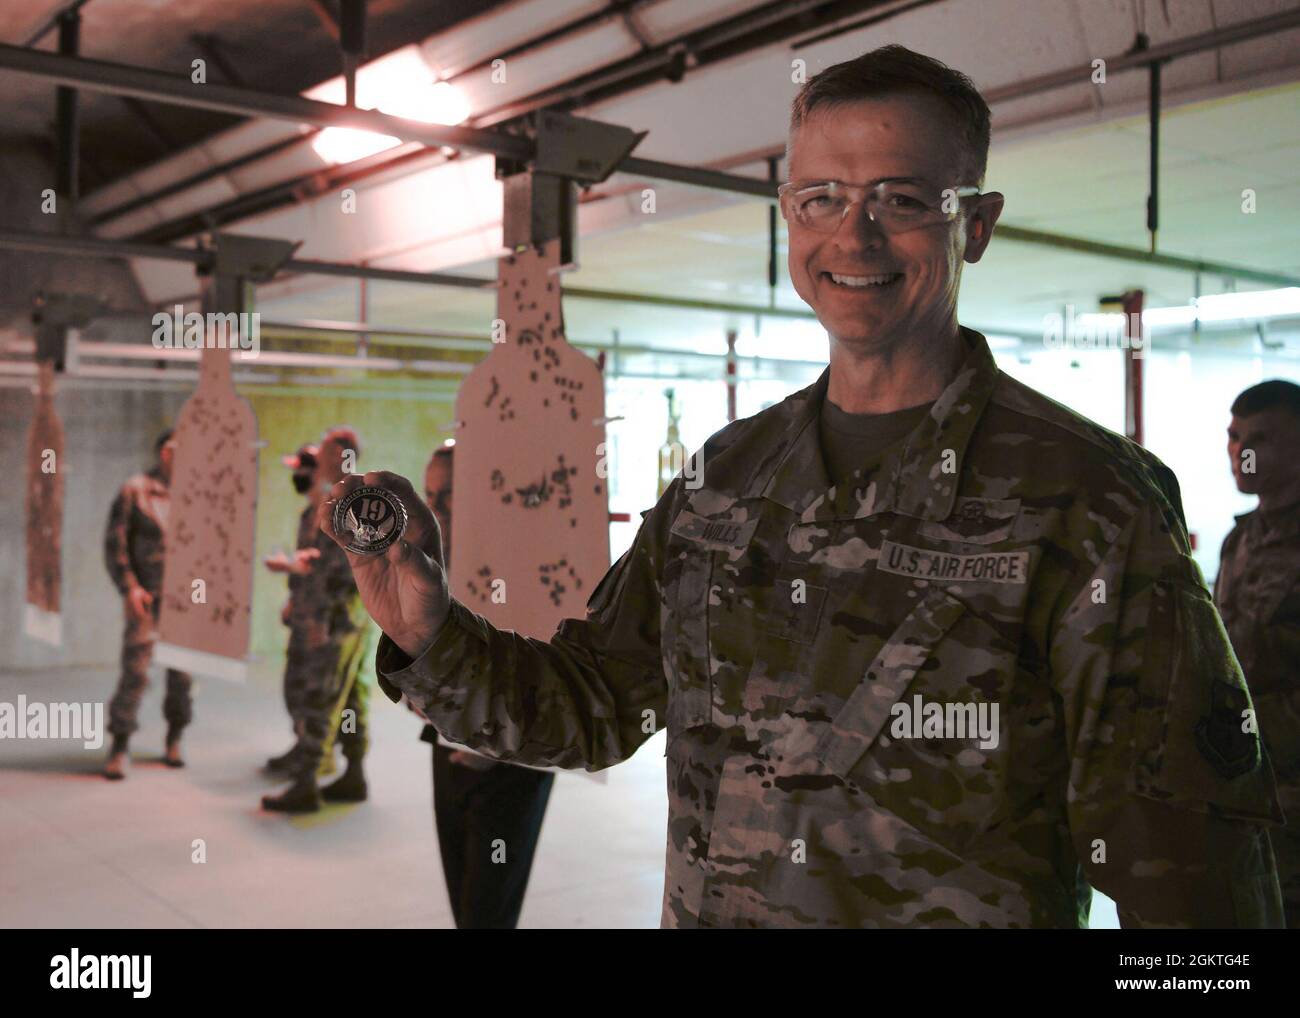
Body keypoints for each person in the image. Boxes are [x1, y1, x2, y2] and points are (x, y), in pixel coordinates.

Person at [320, 46, 1284, 927]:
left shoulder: (1091, 501)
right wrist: (428, 633)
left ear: (975, 225)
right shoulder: (720, 484)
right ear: (789, 216)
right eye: (822, 196)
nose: (854, 237)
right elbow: (593, 706)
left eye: (902, 199)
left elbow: (1195, 879)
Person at [419, 444, 554, 928]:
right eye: (431, 495)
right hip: (448, 741)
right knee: (464, 900)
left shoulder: (527, 563)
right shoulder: (438, 563)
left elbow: (545, 668)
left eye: (450, 495)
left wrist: (492, 742)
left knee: (487, 910)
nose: (439, 510)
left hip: (510, 755)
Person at [1215, 380, 1300, 927]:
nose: (1239, 452)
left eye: (1260, 438)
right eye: (1233, 436)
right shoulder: (1238, 539)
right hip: (1242, 791)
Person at [262, 427, 373, 814]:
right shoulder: (325, 505)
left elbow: (349, 570)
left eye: (328, 454)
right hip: (330, 617)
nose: (320, 460)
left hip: (339, 620)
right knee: (351, 701)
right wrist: (299, 586)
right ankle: (354, 773)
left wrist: (319, 615)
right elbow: (318, 562)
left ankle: (307, 781)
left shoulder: (354, 506)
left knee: (322, 699)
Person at [102, 428, 193, 780]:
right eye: (174, 449)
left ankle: (175, 738)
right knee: (136, 671)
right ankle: (120, 744)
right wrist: (129, 588)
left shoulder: (196, 495)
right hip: (148, 598)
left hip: (184, 603)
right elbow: (115, 543)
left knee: (183, 677)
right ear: (163, 453)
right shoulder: (135, 490)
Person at [263, 442, 337, 778]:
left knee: (318, 692)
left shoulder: (331, 513)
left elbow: (328, 566)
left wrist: (290, 567)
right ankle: (303, 745)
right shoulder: (308, 514)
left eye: (301, 470)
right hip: (305, 615)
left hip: (326, 619)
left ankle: (318, 758)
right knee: (295, 687)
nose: (296, 477)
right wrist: (292, 600)